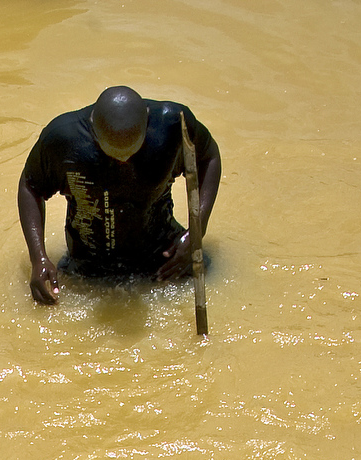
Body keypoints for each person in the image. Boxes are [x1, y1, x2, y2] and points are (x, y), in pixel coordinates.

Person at [17, 85, 221, 305]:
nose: (123, 162)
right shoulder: (64, 139)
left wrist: (196, 230)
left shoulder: (174, 125)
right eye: (114, 154)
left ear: (147, 125)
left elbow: (208, 157)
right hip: (89, 264)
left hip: (164, 256)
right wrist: (38, 259)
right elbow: (31, 186)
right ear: (94, 132)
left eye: (132, 152)